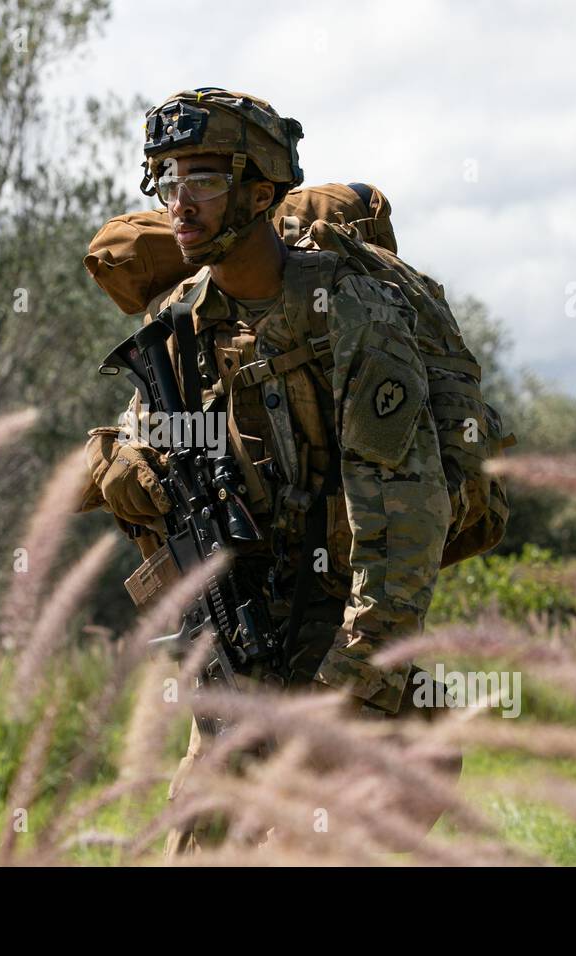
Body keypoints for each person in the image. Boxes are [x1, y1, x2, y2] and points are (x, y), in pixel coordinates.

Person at [79, 88, 458, 855]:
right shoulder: (178, 326)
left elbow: (404, 528)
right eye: (168, 182)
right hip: (234, 647)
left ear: (261, 191)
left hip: (337, 648)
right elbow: (143, 459)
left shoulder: (353, 315)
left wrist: (345, 695)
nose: (181, 205)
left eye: (205, 183)